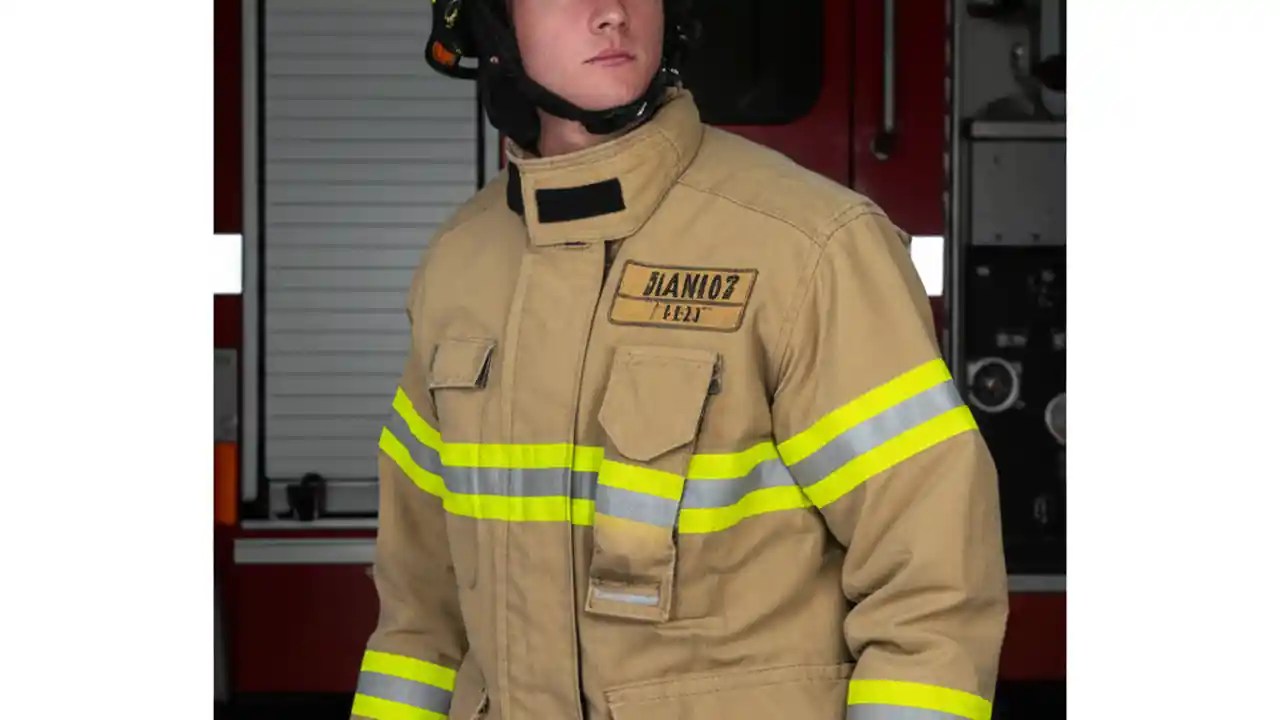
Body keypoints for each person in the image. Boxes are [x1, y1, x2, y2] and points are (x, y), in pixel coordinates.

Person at [350, 0, 1008, 718]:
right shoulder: (460, 265)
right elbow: (420, 612)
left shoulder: (808, 247)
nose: (612, 14)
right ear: (490, 26)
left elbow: (933, 585)